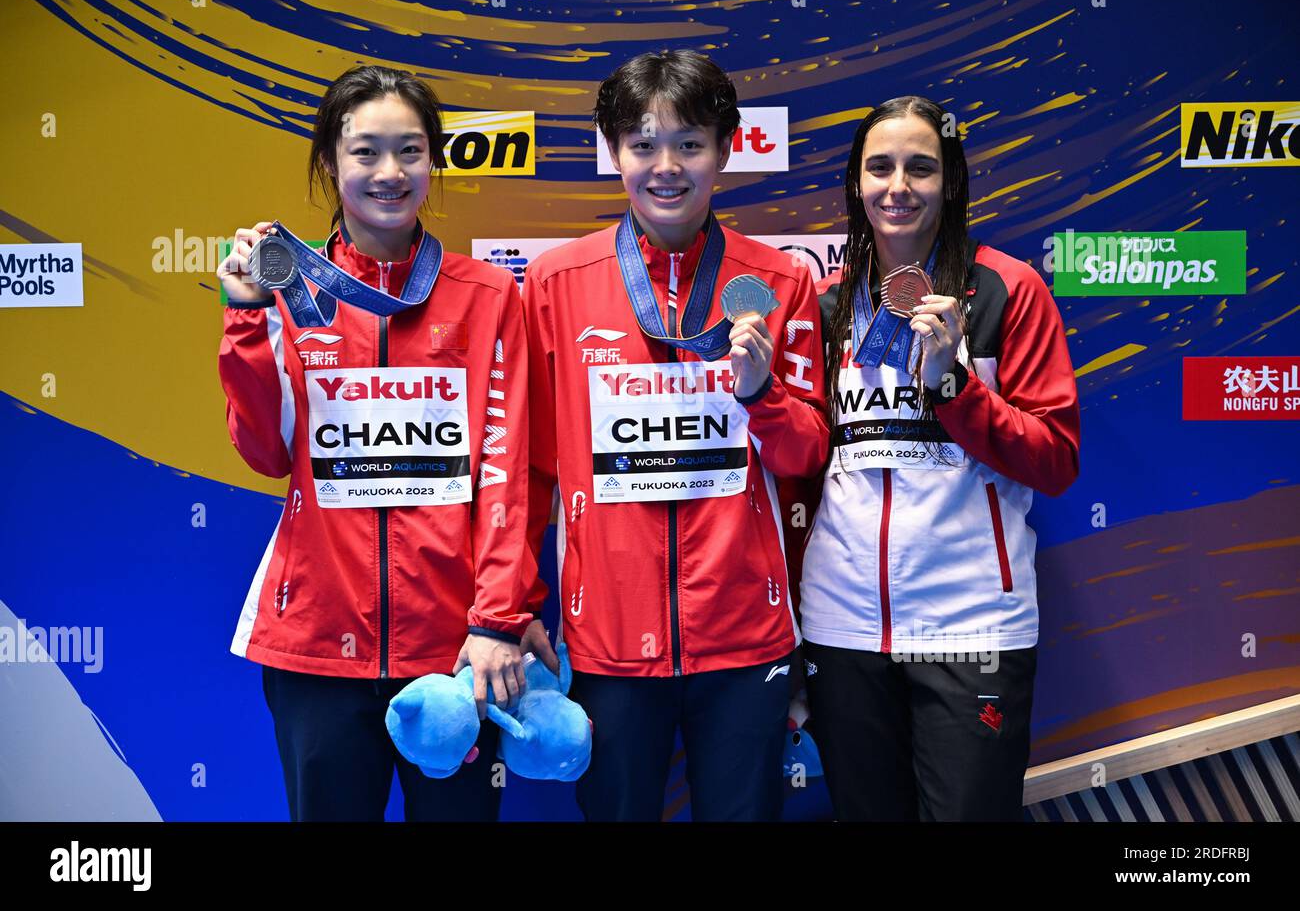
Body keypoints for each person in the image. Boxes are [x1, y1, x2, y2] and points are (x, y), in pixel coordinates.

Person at [518, 50, 828, 821]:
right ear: (614, 152)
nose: (667, 166)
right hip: (606, 643)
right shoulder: (556, 282)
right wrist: (519, 600)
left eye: (689, 144)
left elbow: (806, 457)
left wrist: (761, 396)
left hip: (744, 638)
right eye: (642, 144)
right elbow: (527, 470)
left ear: (725, 149)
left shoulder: (779, 281)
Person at [217, 65, 532, 821]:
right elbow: (266, 451)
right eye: (365, 152)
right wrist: (243, 319)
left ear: (434, 162)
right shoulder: (289, 290)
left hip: (456, 655)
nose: (389, 173)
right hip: (318, 645)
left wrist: (494, 622)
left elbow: (505, 474)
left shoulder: (489, 295)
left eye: (411, 151)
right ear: (330, 161)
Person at [798, 96, 1080, 821]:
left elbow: (1055, 460)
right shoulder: (824, 306)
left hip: (972, 624)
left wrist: (951, 386)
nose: (898, 186)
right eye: (879, 167)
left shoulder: (1007, 290)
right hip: (844, 624)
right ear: (856, 184)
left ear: (951, 181)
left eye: (920, 168)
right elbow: (800, 463)